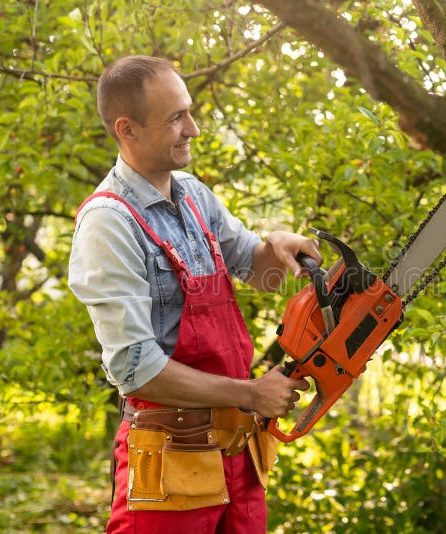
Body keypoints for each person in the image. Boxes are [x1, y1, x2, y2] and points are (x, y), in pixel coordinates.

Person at [68, 55, 318, 533]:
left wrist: (279, 249)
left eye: (189, 111)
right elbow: (135, 369)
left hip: (234, 451)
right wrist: (250, 393)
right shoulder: (109, 222)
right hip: (168, 460)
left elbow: (257, 270)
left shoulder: (193, 194)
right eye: (175, 118)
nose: (194, 129)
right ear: (128, 129)